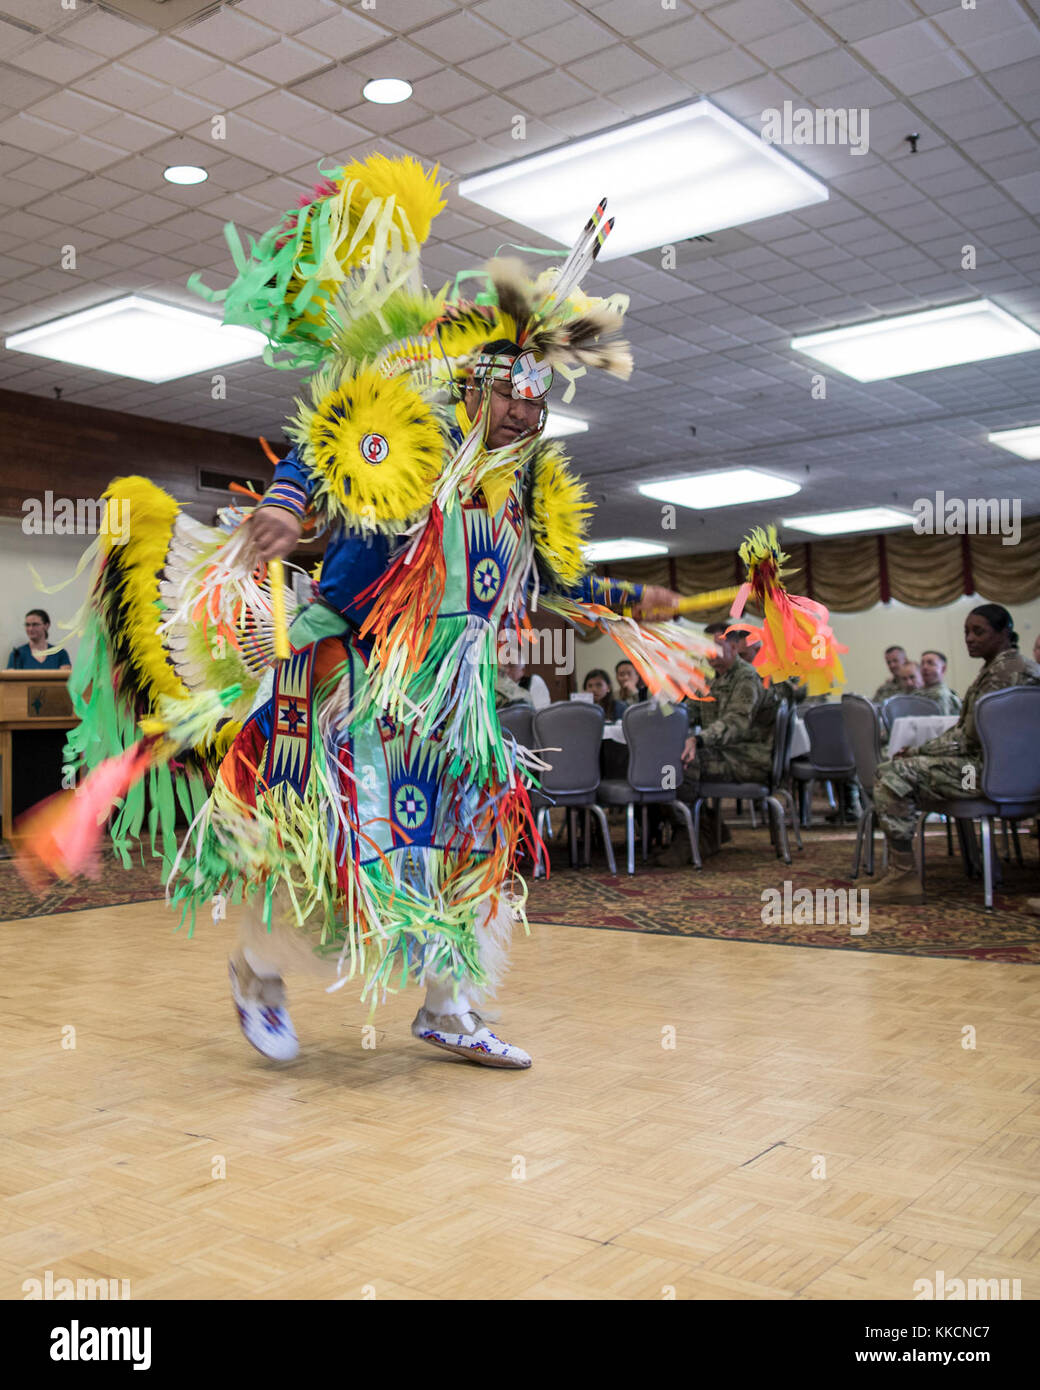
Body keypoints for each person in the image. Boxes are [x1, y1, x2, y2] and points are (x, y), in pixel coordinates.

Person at [27, 159, 697, 1074]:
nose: (525, 410)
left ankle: (450, 1009)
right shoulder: (411, 448)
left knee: (466, 853)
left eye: (536, 399)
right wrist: (288, 505)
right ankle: (259, 975)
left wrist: (632, 600)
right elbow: (329, 432)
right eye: (512, 391)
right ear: (476, 387)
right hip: (351, 676)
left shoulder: (519, 491)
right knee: (321, 846)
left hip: (453, 710)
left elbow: (549, 581)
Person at [870, 604, 1040, 904]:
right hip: (1018, 776)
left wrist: (917, 751)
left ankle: (903, 877)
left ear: (1004, 633)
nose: (970, 639)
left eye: (978, 631)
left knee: (892, 772)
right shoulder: (1017, 667)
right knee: (904, 768)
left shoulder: (1002, 675)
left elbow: (966, 738)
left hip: (981, 776)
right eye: (966, 632)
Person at [655, 621, 771, 866]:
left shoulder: (747, 677)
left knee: (681, 766)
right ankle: (708, 829)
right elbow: (690, 711)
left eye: (717, 649)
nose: (711, 656)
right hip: (721, 753)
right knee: (659, 762)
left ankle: (689, 835)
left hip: (747, 757)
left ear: (735, 645)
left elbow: (736, 722)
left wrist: (698, 739)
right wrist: (661, 718)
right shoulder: (711, 677)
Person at [6, 610, 71, 671]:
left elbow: (65, 679)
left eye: (35, 624)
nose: (30, 629)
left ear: (46, 625)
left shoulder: (60, 653)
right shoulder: (17, 655)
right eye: (27, 625)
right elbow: (10, 680)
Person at [919, 650, 961, 715]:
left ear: (943, 669)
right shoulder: (917, 693)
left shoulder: (944, 696)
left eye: (930, 663)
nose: (925, 667)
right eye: (922, 664)